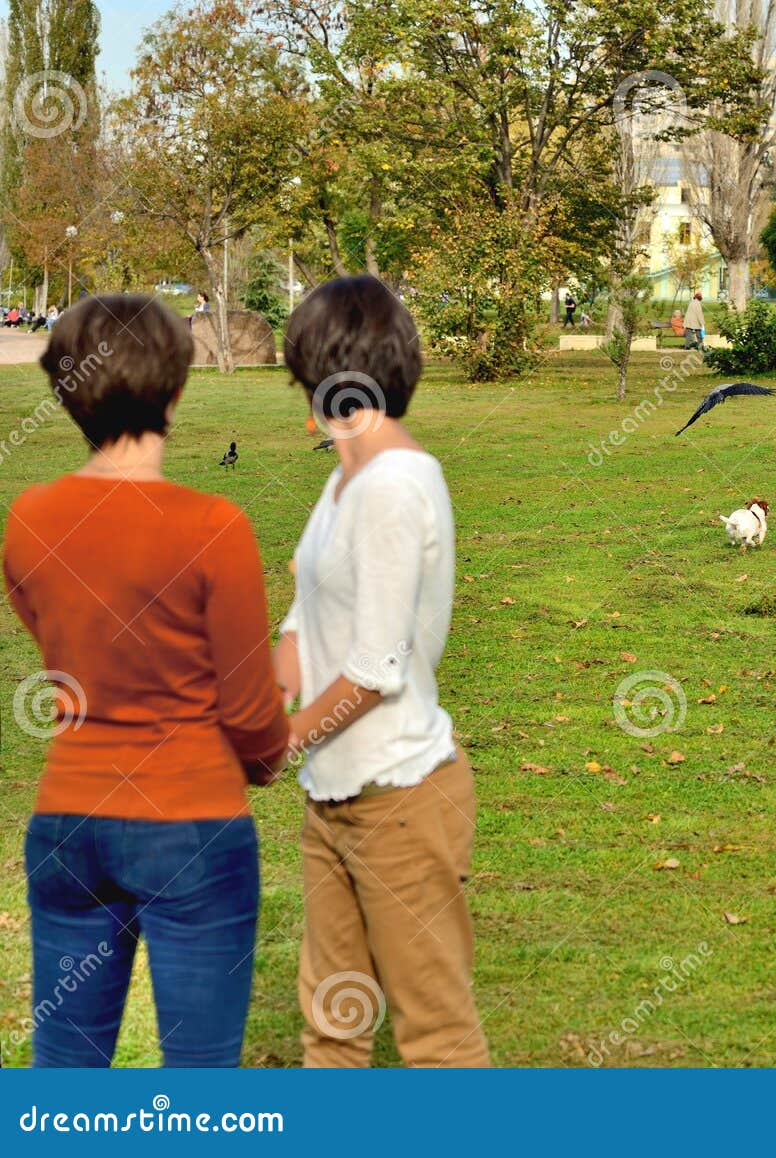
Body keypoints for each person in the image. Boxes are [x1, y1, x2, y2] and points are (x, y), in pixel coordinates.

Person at [4, 295, 290, 1067]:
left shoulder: (29, 519)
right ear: (177, 387)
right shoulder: (213, 526)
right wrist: (267, 760)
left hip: (69, 819)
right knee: (200, 1083)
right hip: (192, 819)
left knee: (64, 1074)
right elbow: (250, 710)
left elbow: (63, 651)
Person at [276, 275, 490, 1068]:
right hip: (332, 796)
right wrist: (268, 695)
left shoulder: (397, 487)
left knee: (434, 1035)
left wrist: (283, 737)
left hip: (401, 798)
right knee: (332, 1028)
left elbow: (375, 669)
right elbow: (305, 615)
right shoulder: (345, 480)